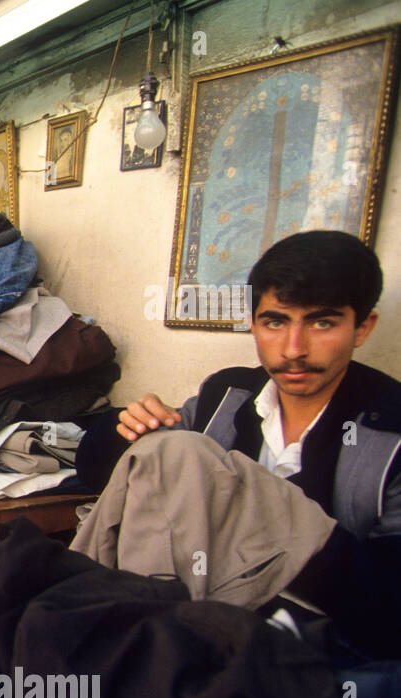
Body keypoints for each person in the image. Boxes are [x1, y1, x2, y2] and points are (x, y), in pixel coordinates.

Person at [75, 230, 400, 650]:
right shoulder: (227, 396)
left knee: (183, 456)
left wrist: (249, 518)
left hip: (308, 637)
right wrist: (125, 426)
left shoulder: (390, 431)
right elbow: (106, 475)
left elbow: (387, 607)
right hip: (190, 606)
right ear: (253, 324)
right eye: (275, 322)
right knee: (165, 454)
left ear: (362, 327)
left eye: (322, 322)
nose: (294, 349)